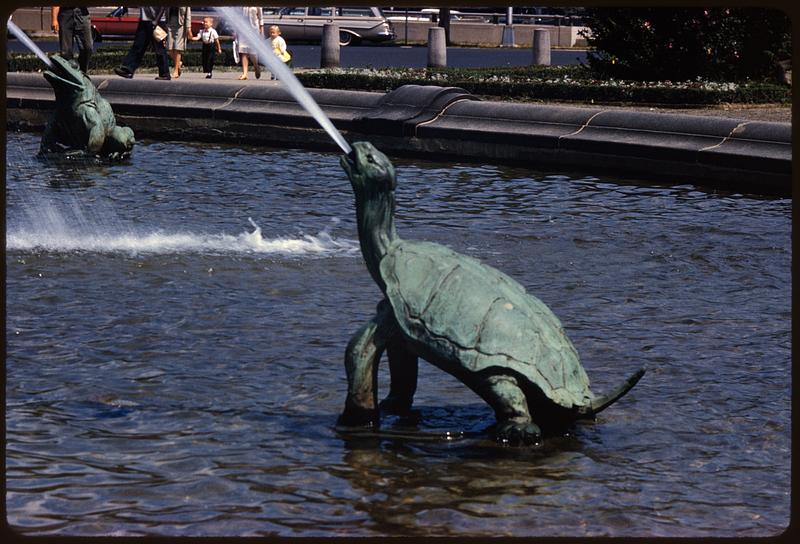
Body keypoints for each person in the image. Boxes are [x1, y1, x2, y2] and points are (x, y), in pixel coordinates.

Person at [113, 7, 171, 80]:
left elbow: (163, 6)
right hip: (144, 21)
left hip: (157, 22)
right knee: (138, 45)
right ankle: (128, 69)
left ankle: (165, 74)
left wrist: (156, 20)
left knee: (159, 49)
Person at [50, 6, 93, 74]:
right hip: (65, 13)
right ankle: (70, 75)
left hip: (82, 13)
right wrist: (54, 19)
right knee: (66, 52)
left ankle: (82, 73)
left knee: (88, 48)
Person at [236, 6, 264, 80]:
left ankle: (256, 66)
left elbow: (261, 18)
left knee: (253, 52)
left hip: (254, 30)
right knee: (243, 51)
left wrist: (261, 30)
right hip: (243, 29)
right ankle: (245, 74)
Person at [166, 7, 192, 79]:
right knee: (169, 48)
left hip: (181, 24)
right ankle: (178, 63)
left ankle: (176, 71)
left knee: (177, 47)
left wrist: (188, 27)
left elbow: (188, 14)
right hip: (170, 22)